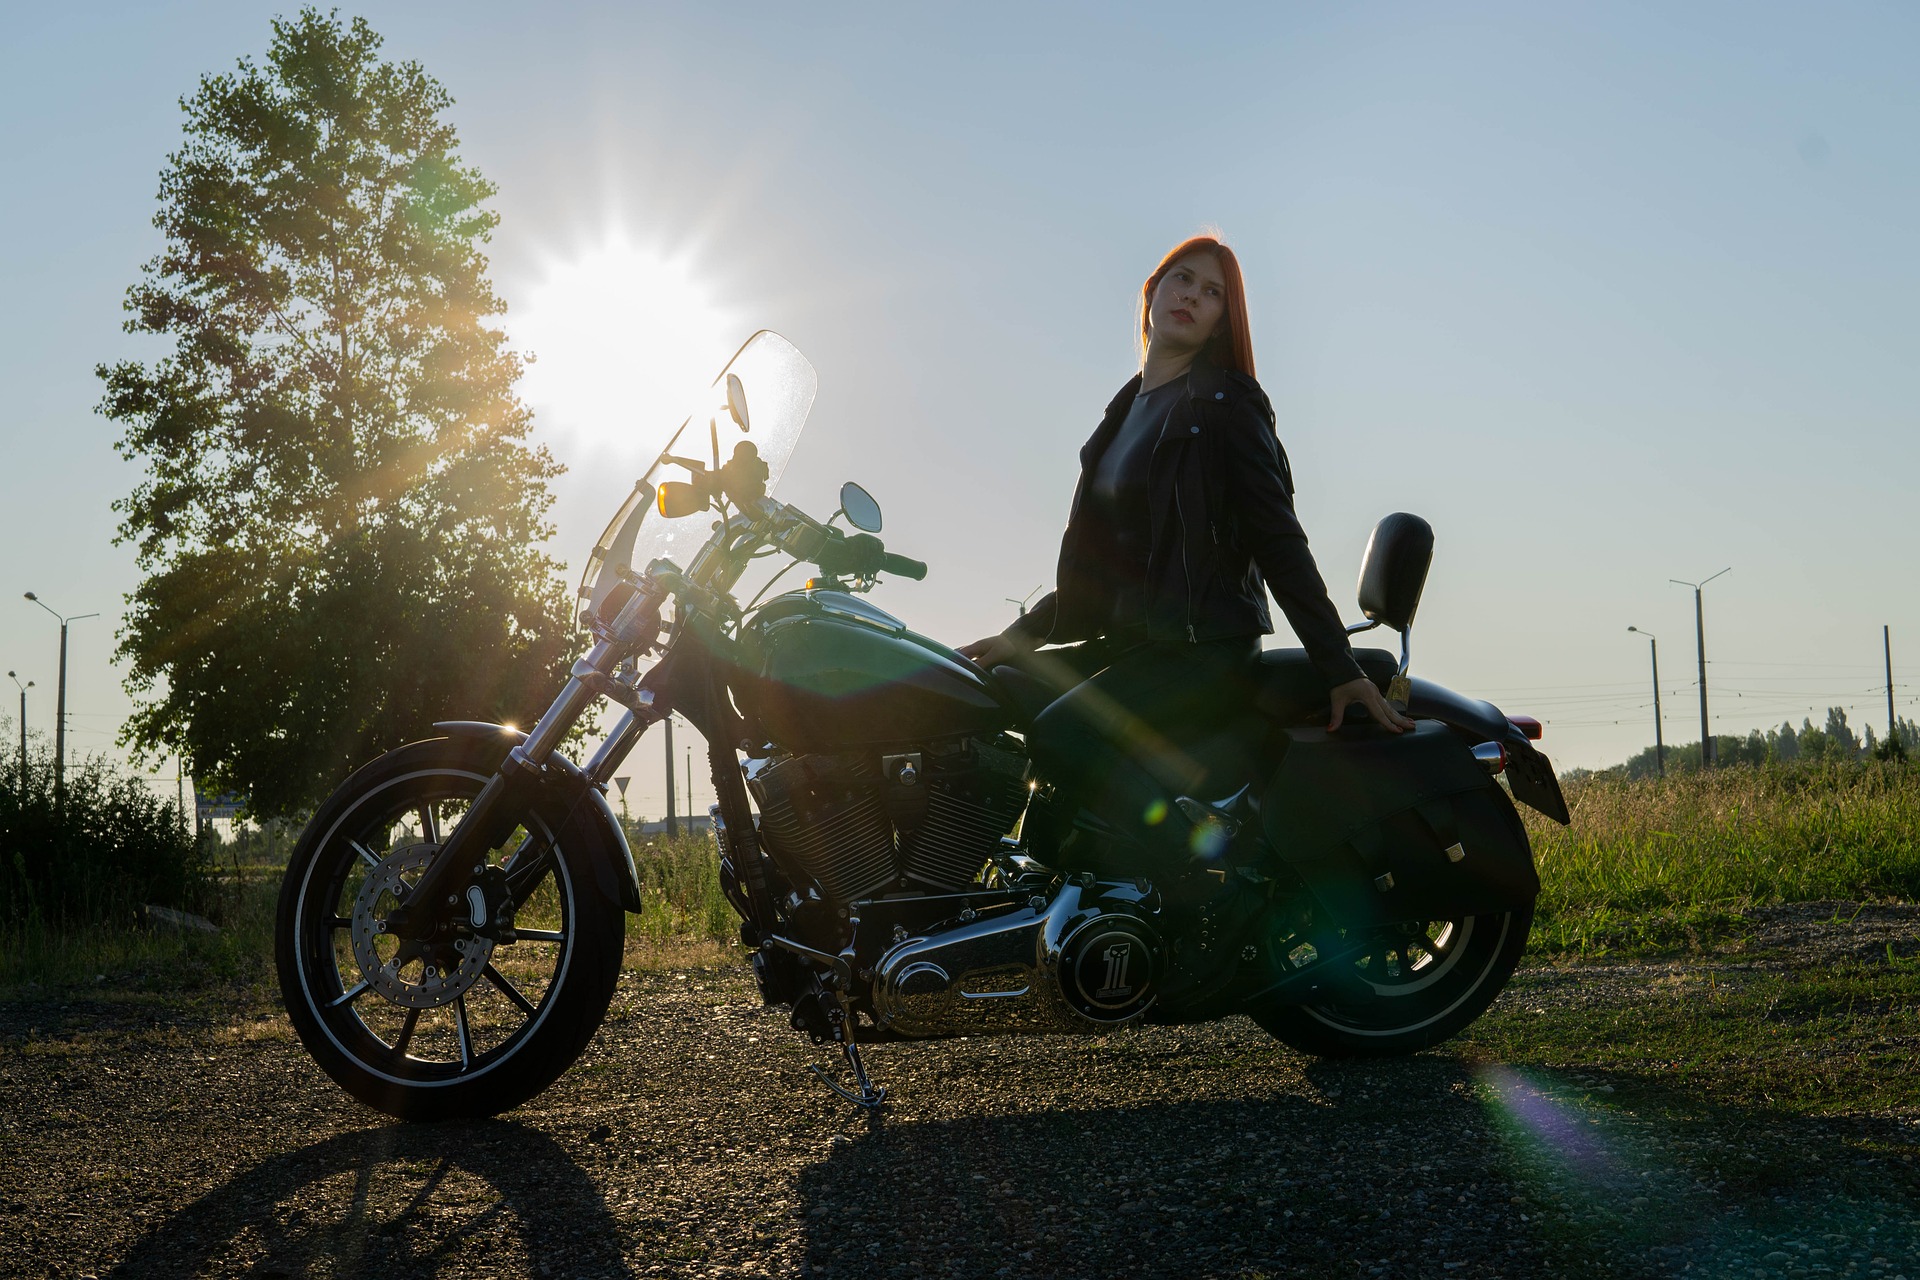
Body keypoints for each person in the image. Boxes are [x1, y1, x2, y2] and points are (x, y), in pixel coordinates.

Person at [960, 233, 1411, 880]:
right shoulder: (1122, 416)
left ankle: (1189, 886)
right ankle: (1031, 881)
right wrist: (1018, 638)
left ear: (1223, 321)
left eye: (1212, 294)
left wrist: (1337, 665)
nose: (1192, 297)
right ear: (1152, 293)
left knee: (1062, 733)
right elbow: (1098, 574)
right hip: (1128, 647)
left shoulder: (1226, 404)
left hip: (1201, 650)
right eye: (1182, 280)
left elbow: (1278, 541)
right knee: (1000, 687)